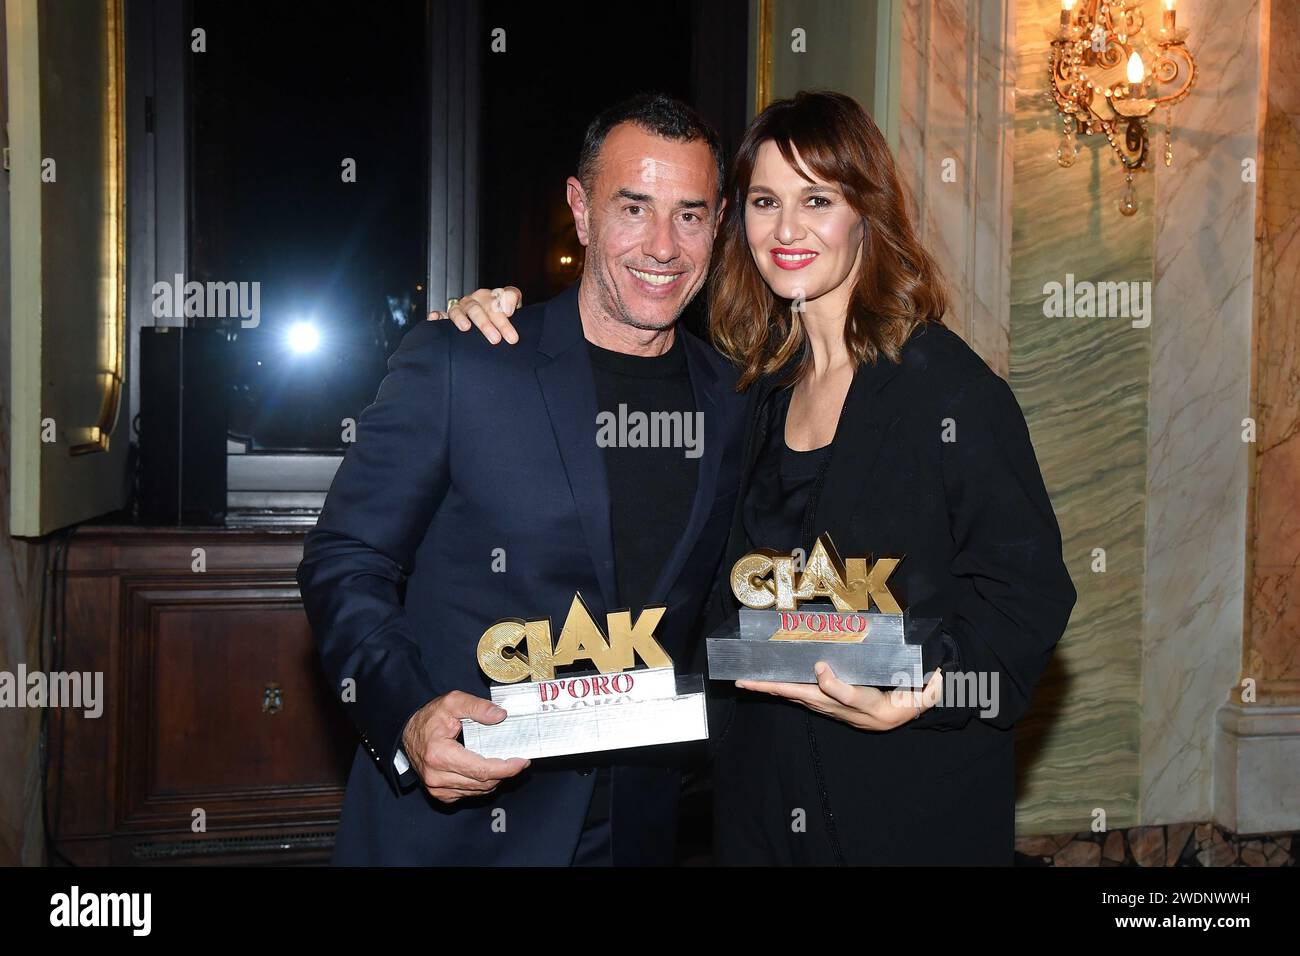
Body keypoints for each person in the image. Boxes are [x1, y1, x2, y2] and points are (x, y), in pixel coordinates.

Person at [439, 90, 1076, 865]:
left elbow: (1029, 600)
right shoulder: (758, 394)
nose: (787, 229)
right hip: (757, 804)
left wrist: (918, 689)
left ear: (866, 214)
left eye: (818, 199)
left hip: (902, 803)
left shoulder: (949, 391)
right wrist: (490, 322)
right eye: (766, 201)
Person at [297, 93, 746, 865]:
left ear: (720, 222)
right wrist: (409, 717)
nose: (664, 245)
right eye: (633, 207)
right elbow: (345, 560)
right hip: (457, 827)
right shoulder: (464, 362)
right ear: (579, 207)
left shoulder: (736, 402)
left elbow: (725, 608)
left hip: (641, 829)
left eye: (691, 214)